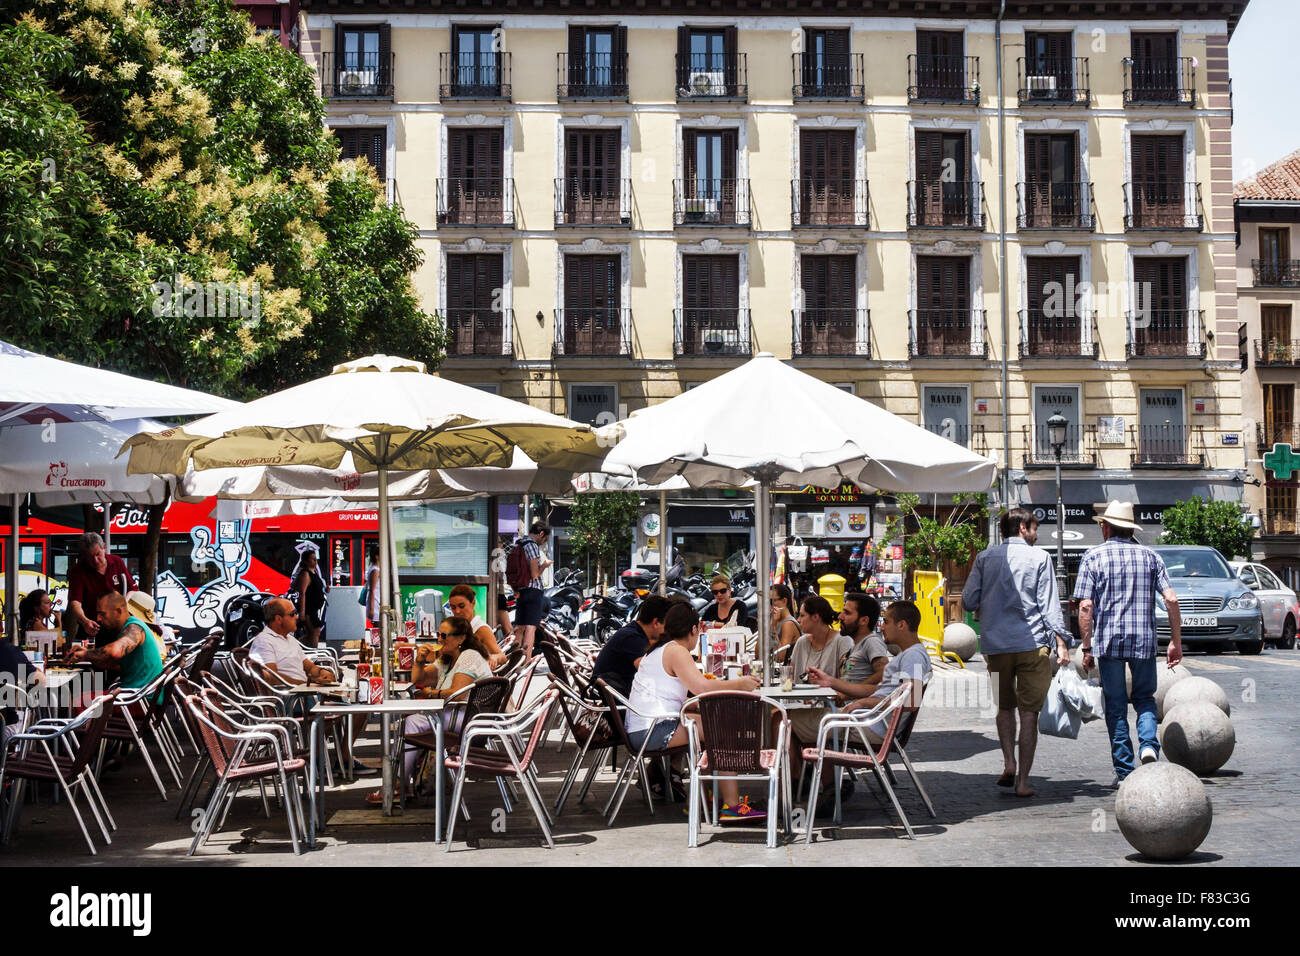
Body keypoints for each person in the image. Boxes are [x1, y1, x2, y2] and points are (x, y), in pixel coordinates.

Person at [961, 507, 1071, 798]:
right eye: (1034, 528)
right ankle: (1023, 782)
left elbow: (968, 601)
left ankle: (1008, 762)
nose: (1037, 535)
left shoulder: (985, 558)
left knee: (1004, 707)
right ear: (1022, 528)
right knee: (1029, 714)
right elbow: (1049, 606)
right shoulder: (1040, 558)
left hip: (995, 648)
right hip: (1032, 646)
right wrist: (1061, 641)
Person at [1073, 501, 1183, 784]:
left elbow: (1085, 606)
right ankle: (1148, 746)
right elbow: (1171, 598)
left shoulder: (1093, 556)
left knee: (1116, 704)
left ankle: (1124, 771)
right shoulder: (1151, 556)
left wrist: (1087, 648)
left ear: (1107, 527)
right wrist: (1175, 642)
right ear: (1130, 528)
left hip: (1109, 642)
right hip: (1144, 640)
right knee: (1145, 698)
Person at [624, 603, 764, 822]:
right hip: (653, 730)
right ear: (694, 629)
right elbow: (702, 688)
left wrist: (695, 704)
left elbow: (672, 696)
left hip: (644, 728)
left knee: (712, 727)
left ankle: (708, 799)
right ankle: (732, 806)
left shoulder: (661, 649)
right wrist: (740, 684)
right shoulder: (676, 651)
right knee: (721, 729)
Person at [370, 616, 493, 804]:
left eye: (444, 635)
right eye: (438, 635)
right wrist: (419, 661)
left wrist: (432, 693)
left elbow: (458, 694)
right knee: (411, 721)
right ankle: (400, 783)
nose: (439, 640)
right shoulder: (447, 658)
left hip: (470, 719)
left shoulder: (469, 656)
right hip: (457, 715)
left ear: (460, 638)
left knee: (411, 723)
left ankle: (397, 785)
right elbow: (419, 679)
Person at [783, 595, 854, 783]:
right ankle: (800, 777)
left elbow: (847, 685)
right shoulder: (802, 643)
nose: (798, 620)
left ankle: (799, 779)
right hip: (805, 706)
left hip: (834, 709)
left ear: (816, 617)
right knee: (780, 717)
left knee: (782, 721)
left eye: (802, 615)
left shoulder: (841, 641)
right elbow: (791, 678)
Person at [843, 601, 932, 744]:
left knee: (798, 723)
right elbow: (883, 690)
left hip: (872, 727)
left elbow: (912, 701)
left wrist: (864, 703)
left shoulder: (914, 656)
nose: (882, 627)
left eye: (886, 622)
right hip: (870, 722)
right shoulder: (909, 654)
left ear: (901, 625)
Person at [65, 593, 164, 694]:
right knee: (79, 697)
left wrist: (86, 654)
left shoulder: (135, 627)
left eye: (102, 614)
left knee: (75, 701)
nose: (98, 618)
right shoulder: (129, 627)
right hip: (136, 696)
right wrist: (88, 655)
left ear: (118, 612)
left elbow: (115, 651)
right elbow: (115, 665)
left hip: (139, 700)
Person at [590, 595, 672, 698]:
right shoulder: (633, 639)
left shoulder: (632, 632)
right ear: (656, 623)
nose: (668, 630)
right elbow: (653, 673)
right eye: (667, 625)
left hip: (613, 699)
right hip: (619, 706)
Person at [246, 598, 337, 686]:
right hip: (289, 697)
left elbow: (309, 667)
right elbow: (272, 677)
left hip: (302, 693)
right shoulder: (264, 641)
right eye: (292, 614)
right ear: (278, 619)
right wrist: (304, 684)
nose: (296, 617)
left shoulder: (290, 638)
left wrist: (322, 672)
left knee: (346, 694)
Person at [66, 532, 134, 646]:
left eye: (98, 554)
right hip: (92, 628)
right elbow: (75, 602)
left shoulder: (117, 562)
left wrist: (123, 605)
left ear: (104, 547)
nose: (95, 560)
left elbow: (132, 589)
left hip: (118, 626)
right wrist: (84, 621)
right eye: (90, 557)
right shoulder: (78, 571)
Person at [508, 521, 552, 658]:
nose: (544, 543)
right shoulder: (532, 546)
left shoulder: (519, 543)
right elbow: (534, 574)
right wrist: (544, 565)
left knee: (519, 627)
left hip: (520, 590)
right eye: (545, 540)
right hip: (533, 591)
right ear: (541, 533)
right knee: (531, 628)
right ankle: (526, 661)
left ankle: (514, 660)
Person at [446, 584, 507, 669]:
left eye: (461, 606)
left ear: (473, 603)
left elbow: (502, 657)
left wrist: (494, 658)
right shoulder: (458, 628)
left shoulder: (481, 629)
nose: (457, 611)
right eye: (453, 607)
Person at [288, 542, 328, 647]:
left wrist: (326, 590)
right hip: (309, 609)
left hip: (314, 608)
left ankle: (293, 647)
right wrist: (302, 613)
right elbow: (302, 593)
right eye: (312, 559)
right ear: (305, 561)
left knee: (312, 634)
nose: (315, 561)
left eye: (316, 559)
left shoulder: (314, 572)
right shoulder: (305, 573)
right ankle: (313, 654)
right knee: (314, 633)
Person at [769, 584, 801, 662]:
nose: (769, 605)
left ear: (784, 601)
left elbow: (779, 658)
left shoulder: (788, 624)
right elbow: (757, 655)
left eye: (771, 601)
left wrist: (772, 627)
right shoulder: (774, 620)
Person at [364, 543, 381, 628]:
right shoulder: (375, 570)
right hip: (375, 603)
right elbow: (372, 590)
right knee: (377, 629)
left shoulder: (374, 568)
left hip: (376, 602)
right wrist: (371, 609)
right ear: (377, 556)